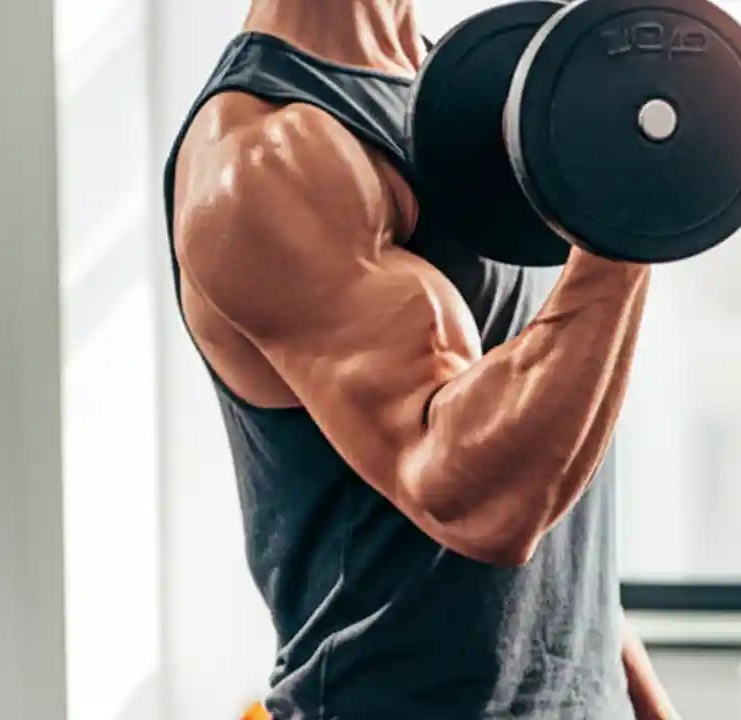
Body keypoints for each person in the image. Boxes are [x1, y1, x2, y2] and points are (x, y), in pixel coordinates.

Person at [165, 0, 677, 717]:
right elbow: (480, 502)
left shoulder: (468, 97)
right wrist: (629, 217)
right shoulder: (269, 160)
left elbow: (558, 482)